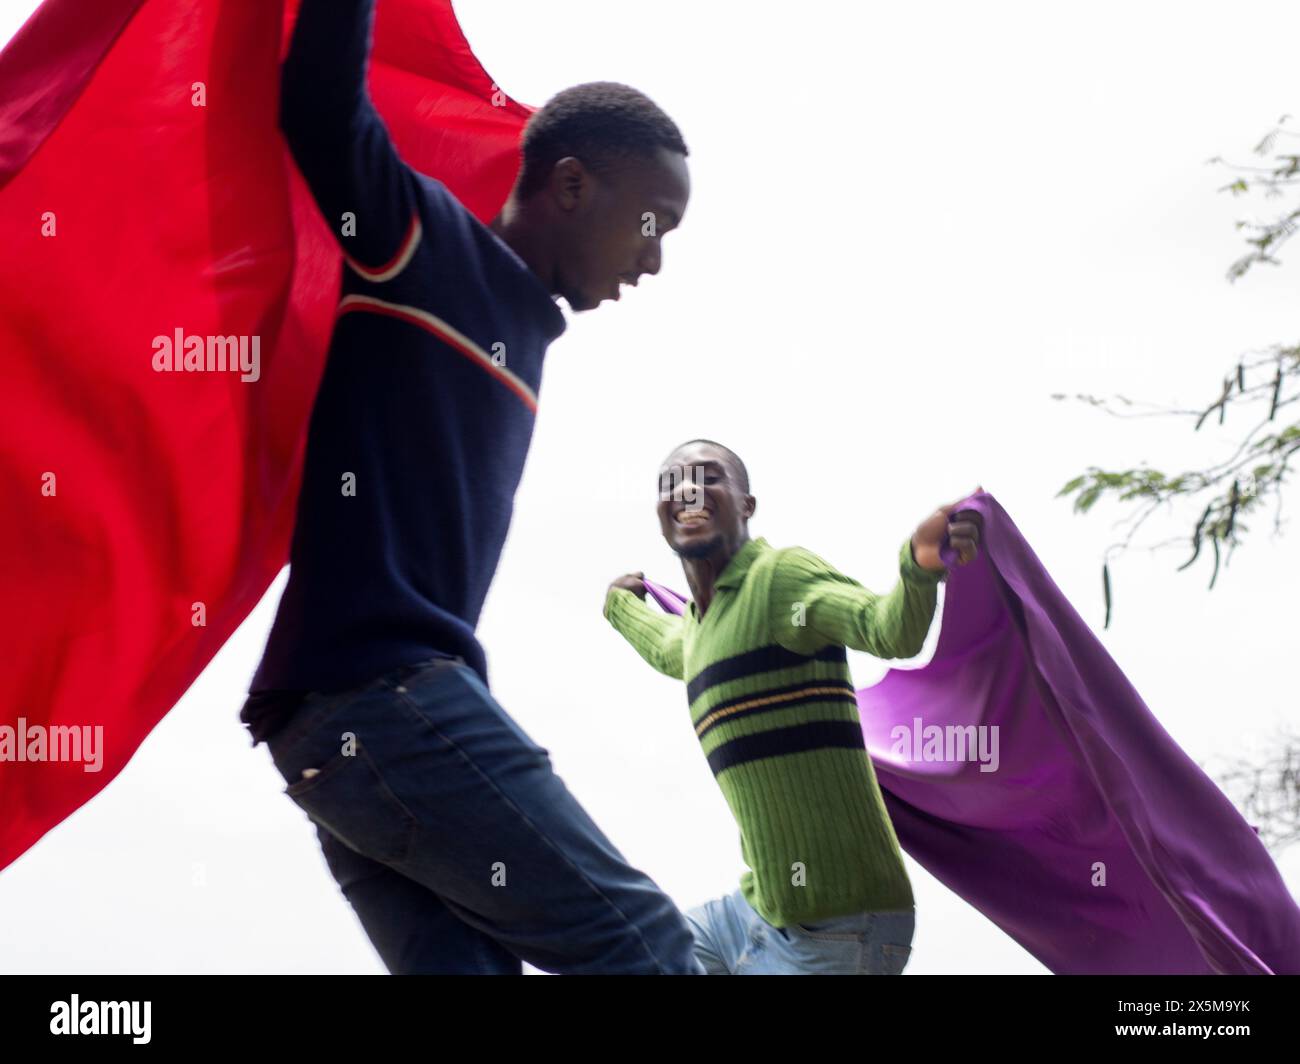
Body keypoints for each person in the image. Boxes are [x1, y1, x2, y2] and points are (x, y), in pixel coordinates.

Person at [240, 0, 698, 974]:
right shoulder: (430, 249)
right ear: (570, 184)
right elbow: (323, 109)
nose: (655, 257)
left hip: (343, 735)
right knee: (654, 953)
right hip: (381, 696)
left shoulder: (525, 328)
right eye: (652, 222)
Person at [603, 439, 983, 974]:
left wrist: (919, 563)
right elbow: (668, 647)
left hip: (842, 923)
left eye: (708, 477)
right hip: (754, 911)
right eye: (672, 482)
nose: (687, 489)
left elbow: (887, 629)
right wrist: (618, 604)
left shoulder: (781, 580)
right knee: (629, 950)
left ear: (747, 506)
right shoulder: (699, 629)